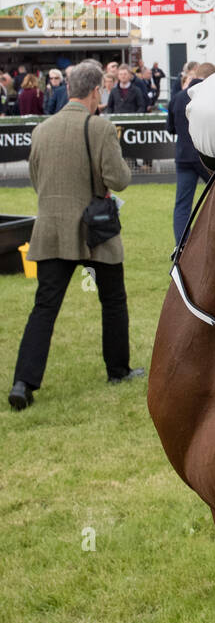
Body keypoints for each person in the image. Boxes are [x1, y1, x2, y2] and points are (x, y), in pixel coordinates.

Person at [8, 60, 143, 410]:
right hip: (94, 230)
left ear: (69, 90)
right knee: (113, 301)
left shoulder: (41, 129)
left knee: (44, 307)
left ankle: (23, 382)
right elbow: (120, 179)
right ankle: (118, 369)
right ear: (96, 90)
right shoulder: (99, 127)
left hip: (52, 228)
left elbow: (37, 179)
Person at [167, 62, 215, 245]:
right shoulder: (212, 95)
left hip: (183, 156)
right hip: (206, 155)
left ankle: (181, 245)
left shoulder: (177, 97)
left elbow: (170, 128)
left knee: (182, 204)